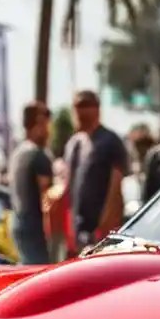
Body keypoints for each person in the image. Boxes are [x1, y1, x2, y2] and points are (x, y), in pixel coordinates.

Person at [63, 90, 129, 252]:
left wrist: (105, 226)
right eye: (77, 106)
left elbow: (115, 188)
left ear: (97, 109)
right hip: (79, 228)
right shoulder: (74, 144)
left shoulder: (110, 141)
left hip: (102, 230)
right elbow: (69, 187)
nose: (79, 111)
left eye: (85, 105)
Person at [8, 102, 55, 265]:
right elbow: (47, 198)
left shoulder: (18, 152)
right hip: (35, 227)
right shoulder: (38, 155)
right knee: (41, 272)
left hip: (18, 220)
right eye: (46, 124)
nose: (48, 130)